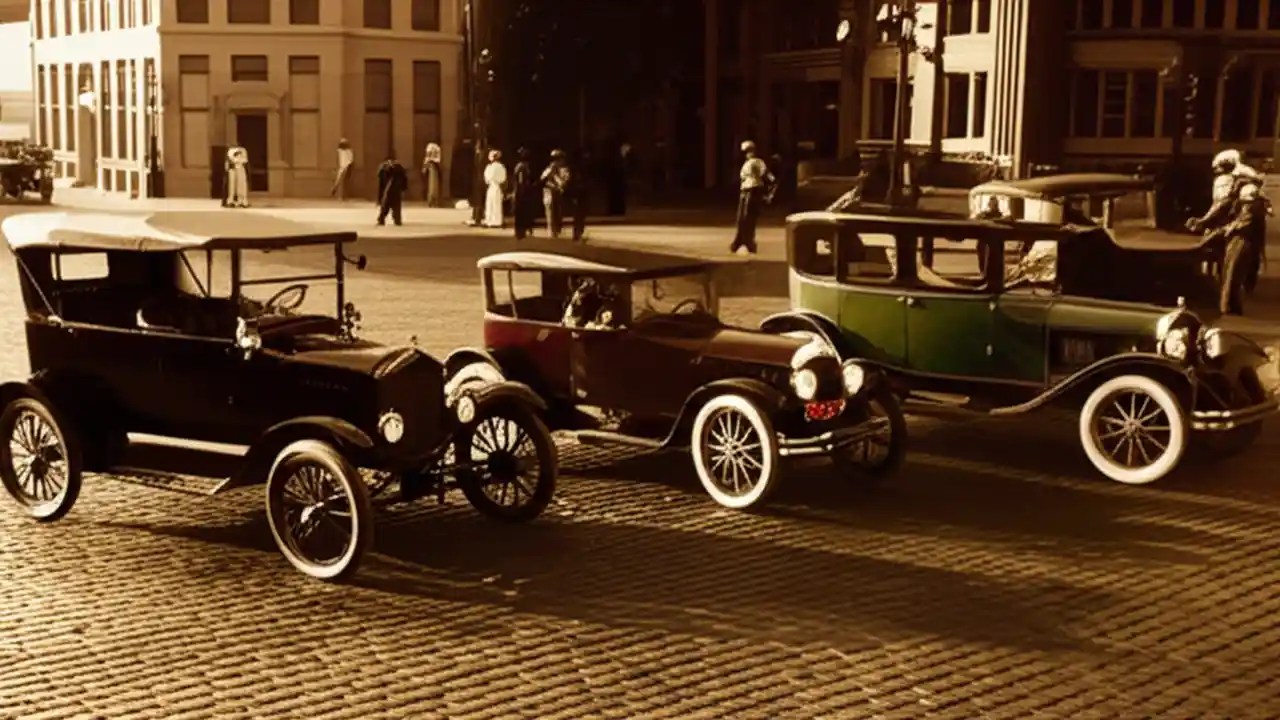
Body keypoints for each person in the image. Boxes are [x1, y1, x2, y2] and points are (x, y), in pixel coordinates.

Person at [1187, 150, 1269, 314]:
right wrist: (1205, 222)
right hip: (1239, 233)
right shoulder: (1240, 185)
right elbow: (1223, 205)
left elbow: (1235, 216)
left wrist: (1215, 228)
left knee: (1232, 271)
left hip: (1242, 235)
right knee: (1230, 271)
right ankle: (1229, 305)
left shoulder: (1247, 192)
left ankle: (1230, 308)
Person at [730, 140, 776, 255]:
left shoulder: (757, 162)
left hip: (753, 191)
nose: (747, 154)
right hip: (745, 191)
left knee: (748, 218)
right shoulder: (746, 164)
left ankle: (748, 242)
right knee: (741, 218)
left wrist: (769, 193)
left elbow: (769, 177)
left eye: (748, 151)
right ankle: (739, 241)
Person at [541, 149, 571, 239]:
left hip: (558, 194)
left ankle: (557, 230)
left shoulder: (564, 169)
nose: (556, 161)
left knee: (558, 213)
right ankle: (551, 232)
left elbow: (564, 182)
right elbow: (543, 179)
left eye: (558, 159)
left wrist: (558, 181)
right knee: (550, 212)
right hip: (549, 193)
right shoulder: (549, 169)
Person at [376, 152, 408, 226]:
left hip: (391, 191)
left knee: (388, 206)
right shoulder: (397, 168)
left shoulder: (386, 168)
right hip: (393, 191)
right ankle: (395, 220)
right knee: (393, 207)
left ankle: (384, 219)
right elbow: (404, 179)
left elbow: (381, 184)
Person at [512, 148, 537, 240]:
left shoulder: (520, 166)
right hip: (522, 193)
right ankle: (521, 232)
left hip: (521, 192)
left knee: (521, 213)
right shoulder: (522, 167)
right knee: (522, 213)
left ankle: (522, 231)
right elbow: (521, 181)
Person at [482, 149, 508, 228]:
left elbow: (486, 179)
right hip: (497, 187)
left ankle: (489, 220)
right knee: (496, 204)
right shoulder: (501, 167)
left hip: (491, 187)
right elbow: (503, 178)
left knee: (490, 204)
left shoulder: (489, 167)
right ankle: (497, 221)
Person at [421, 142, 443, 207]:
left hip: (433, 169)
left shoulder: (433, 149)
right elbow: (427, 160)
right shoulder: (434, 149)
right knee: (432, 186)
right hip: (432, 170)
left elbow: (428, 160)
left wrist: (424, 168)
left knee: (433, 186)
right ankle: (432, 200)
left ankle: (433, 200)